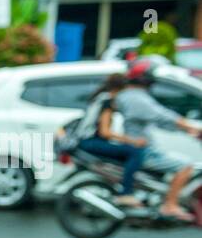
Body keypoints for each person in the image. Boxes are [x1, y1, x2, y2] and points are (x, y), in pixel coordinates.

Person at [115, 57, 202, 222]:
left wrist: (188, 130)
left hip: (141, 146)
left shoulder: (133, 95)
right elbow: (163, 115)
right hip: (143, 149)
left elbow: (162, 121)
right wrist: (192, 127)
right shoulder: (136, 98)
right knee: (186, 166)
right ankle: (170, 205)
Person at [72, 73, 146, 209]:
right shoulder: (108, 102)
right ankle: (126, 193)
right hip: (90, 142)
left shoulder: (100, 97)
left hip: (86, 141)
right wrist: (132, 140)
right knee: (135, 152)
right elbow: (105, 132)